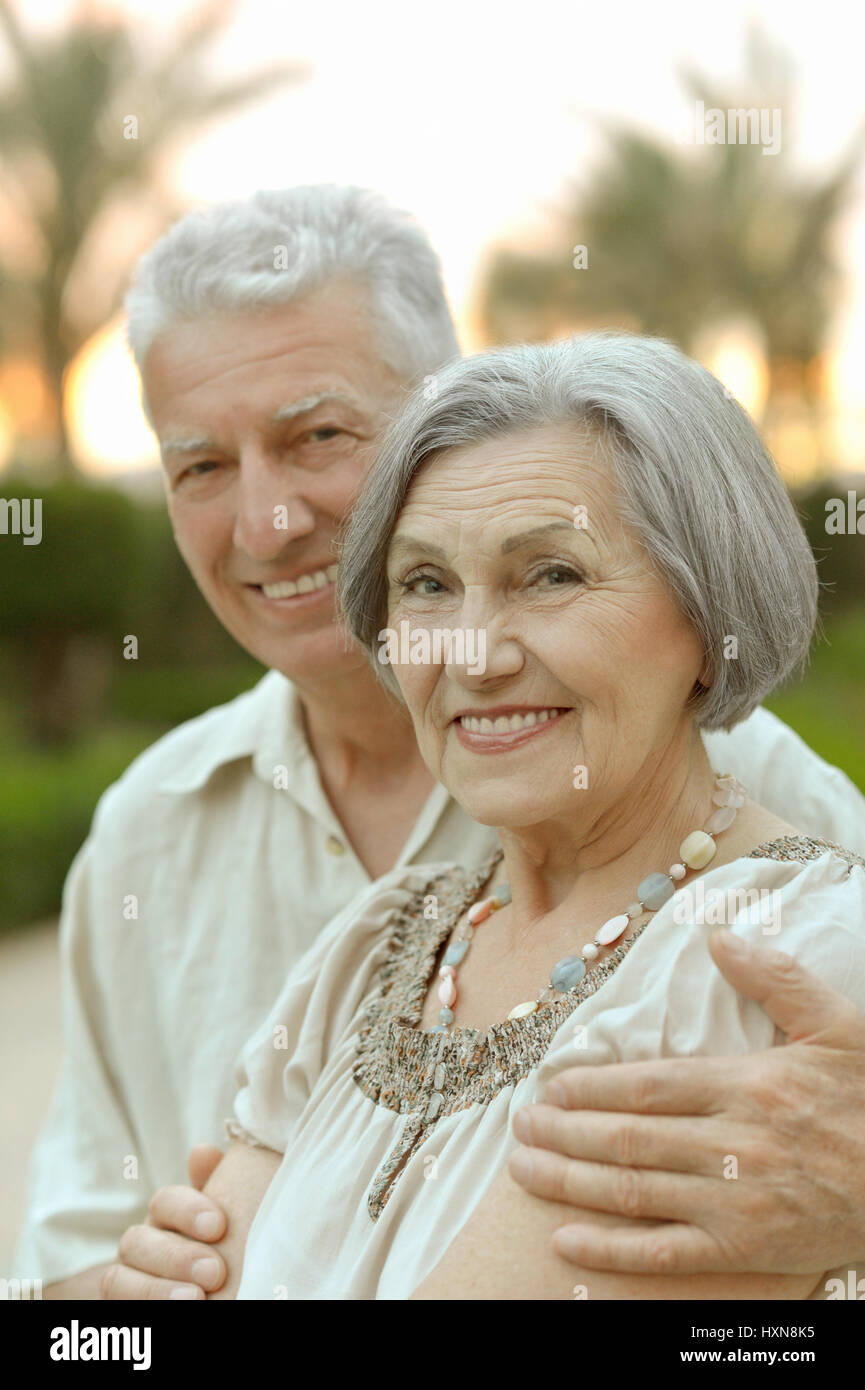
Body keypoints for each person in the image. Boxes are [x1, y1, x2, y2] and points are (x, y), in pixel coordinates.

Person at [10, 188, 865, 1301]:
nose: (266, 523)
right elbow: (87, 1275)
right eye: (201, 466)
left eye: (315, 435)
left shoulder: (767, 898)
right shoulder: (297, 908)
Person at [190, 332, 865, 1299]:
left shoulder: (770, 959)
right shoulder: (378, 948)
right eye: (426, 584)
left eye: (550, 574)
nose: (473, 656)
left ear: (709, 626)